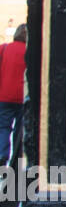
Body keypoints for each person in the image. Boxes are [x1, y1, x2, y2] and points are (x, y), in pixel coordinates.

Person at [0, 23, 26, 166]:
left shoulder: (4, 49)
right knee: (19, 130)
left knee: (3, 127)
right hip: (22, 96)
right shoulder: (30, 52)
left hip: (3, 95)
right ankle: (15, 161)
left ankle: (2, 154)